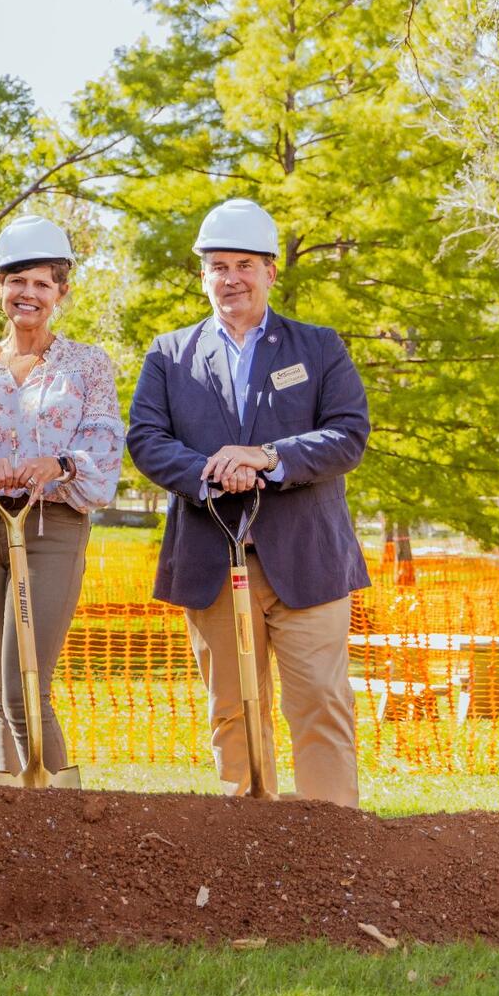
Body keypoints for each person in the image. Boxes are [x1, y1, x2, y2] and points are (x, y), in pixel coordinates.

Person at [125, 198, 370, 807]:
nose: (230, 278)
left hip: (308, 565)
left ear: (270, 272)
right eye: (217, 266)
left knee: (319, 704)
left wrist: (266, 456)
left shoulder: (317, 348)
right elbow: (146, 440)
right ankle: (249, 840)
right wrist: (211, 471)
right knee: (232, 710)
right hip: (213, 564)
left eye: (244, 264)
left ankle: (329, 836)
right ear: (203, 275)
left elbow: (347, 434)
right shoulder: (169, 353)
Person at [0, 217, 124, 779]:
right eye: (17, 281)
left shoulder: (86, 367)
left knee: (23, 686)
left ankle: (59, 811)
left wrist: (58, 464)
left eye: (42, 283)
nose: (28, 294)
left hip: (50, 528)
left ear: (62, 291)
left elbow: (105, 450)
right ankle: (9, 815)